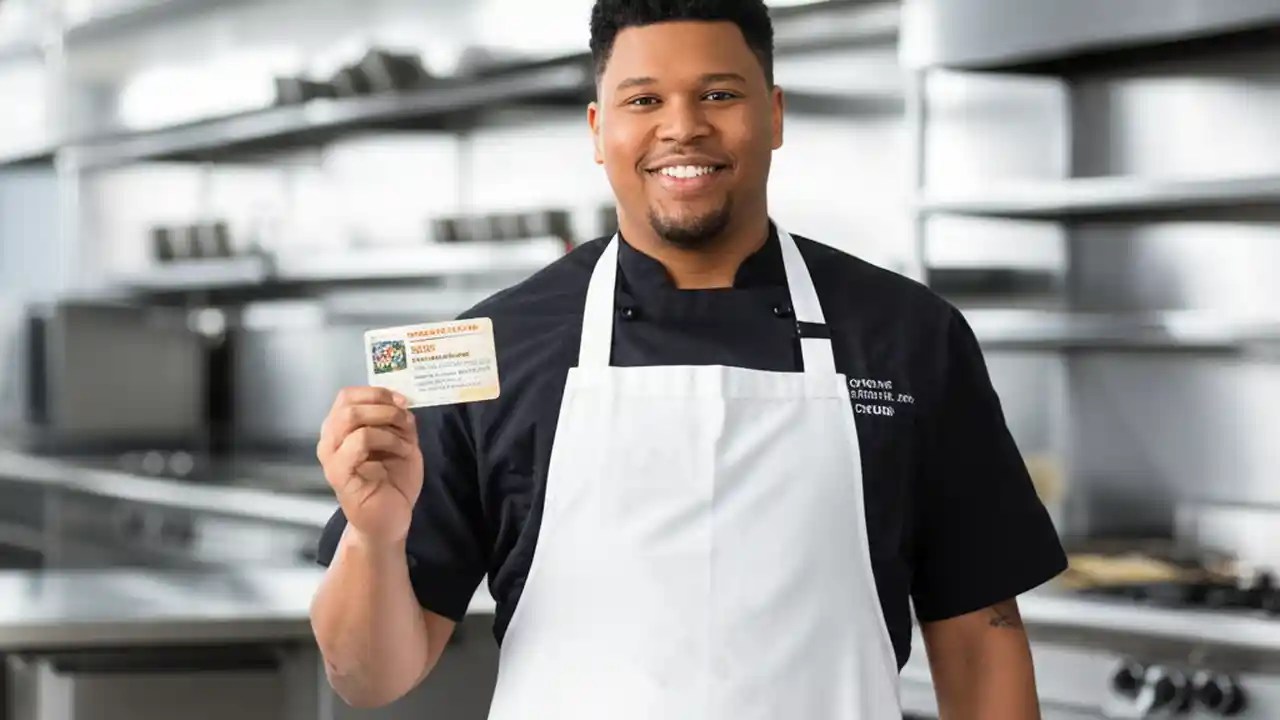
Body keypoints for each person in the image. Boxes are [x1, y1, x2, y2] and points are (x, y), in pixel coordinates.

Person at [309, 1, 1068, 717]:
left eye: (718, 94)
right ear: (598, 127)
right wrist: (374, 539)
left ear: (773, 116)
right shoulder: (489, 349)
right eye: (644, 101)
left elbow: (980, 643)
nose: (683, 128)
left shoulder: (910, 336)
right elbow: (368, 679)